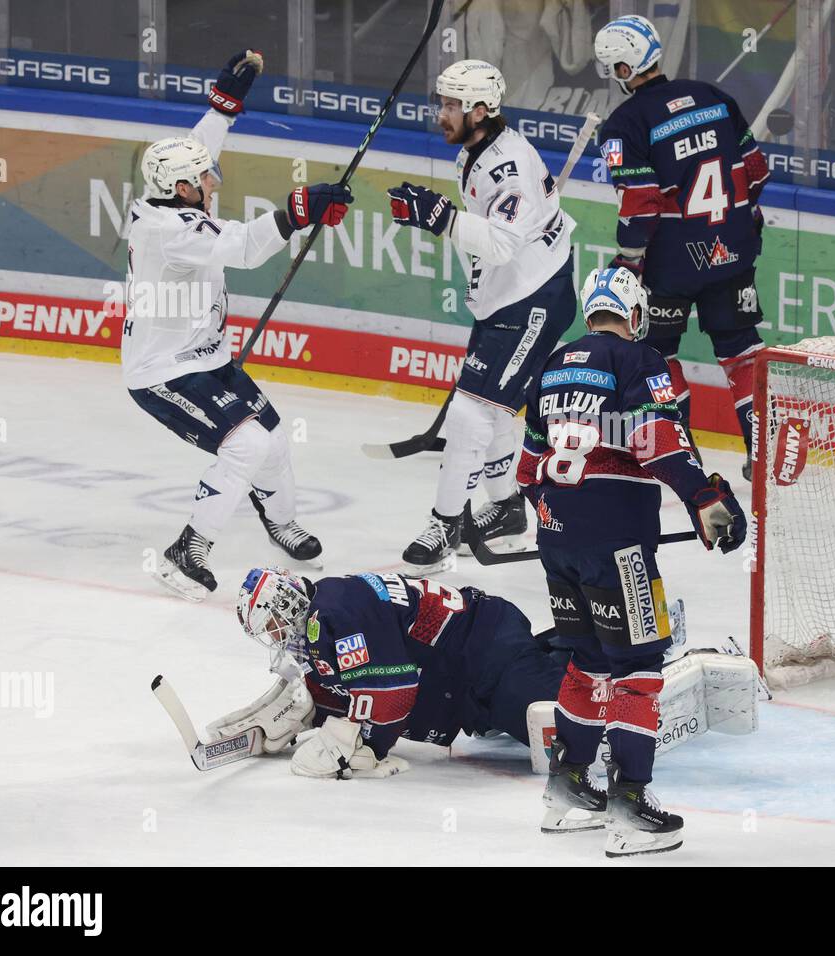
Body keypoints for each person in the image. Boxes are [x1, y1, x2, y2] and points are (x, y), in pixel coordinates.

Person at [516, 265, 748, 857]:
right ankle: (629, 805)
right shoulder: (639, 361)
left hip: (558, 540)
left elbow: (526, 471)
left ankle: (567, 789)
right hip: (618, 542)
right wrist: (705, 498)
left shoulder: (552, 367)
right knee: (640, 664)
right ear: (635, 312)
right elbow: (657, 440)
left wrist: (564, 518)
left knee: (587, 659)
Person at [122, 49, 352, 601]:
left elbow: (198, 153)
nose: (212, 179)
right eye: (204, 176)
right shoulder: (169, 232)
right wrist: (299, 210)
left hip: (206, 357)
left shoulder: (170, 203)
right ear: (182, 188)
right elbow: (245, 249)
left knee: (272, 439)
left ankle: (282, 522)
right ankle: (188, 552)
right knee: (245, 445)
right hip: (163, 372)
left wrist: (223, 109)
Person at [213, 567, 758, 787]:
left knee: (556, 726)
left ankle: (670, 655)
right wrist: (311, 706)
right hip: (467, 664)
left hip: (483, 655)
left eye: (273, 621)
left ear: (287, 603)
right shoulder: (325, 613)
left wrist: (363, 743)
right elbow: (363, 676)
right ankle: (632, 632)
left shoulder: (336, 611)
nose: (275, 632)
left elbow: (394, 687)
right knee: (545, 682)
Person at [387, 59, 577, 572]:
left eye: (451, 106)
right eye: (441, 103)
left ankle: (445, 524)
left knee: (471, 411)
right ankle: (511, 509)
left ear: (480, 109)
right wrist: (440, 217)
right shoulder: (476, 151)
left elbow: (500, 243)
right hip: (508, 294)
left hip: (535, 297)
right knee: (490, 408)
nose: (441, 115)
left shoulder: (507, 166)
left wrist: (439, 217)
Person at [593, 15, 771, 479]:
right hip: (732, 249)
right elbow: (758, 171)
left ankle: (683, 458)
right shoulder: (715, 97)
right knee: (741, 350)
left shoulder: (625, 123)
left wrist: (630, 259)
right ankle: (761, 447)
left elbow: (640, 203)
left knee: (656, 353)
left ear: (623, 69)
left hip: (671, 262)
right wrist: (741, 225)